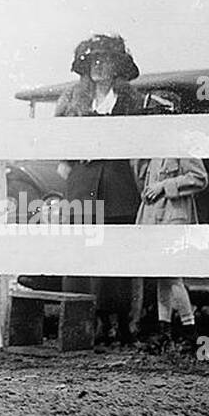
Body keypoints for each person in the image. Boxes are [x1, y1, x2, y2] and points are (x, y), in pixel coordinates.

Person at [54, 34, 144, 343]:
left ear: (117, 66)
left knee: (116, 257)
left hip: (118, 185)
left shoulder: (131, 101)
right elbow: (60, 144)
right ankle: (81, 325)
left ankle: (120, 324)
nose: (98, 67)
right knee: (82, 253)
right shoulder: (72, 102)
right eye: (93, 61)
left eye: (104, 60)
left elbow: (137, 141)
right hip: (83, 185)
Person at [136, 153, 208, 350]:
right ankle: (164, 333)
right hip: (153, 219)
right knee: (163, 277)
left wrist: (164, 186)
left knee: (173, 276)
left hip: (174, 218)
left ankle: (191, 334)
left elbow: (200, 178)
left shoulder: (183, 147)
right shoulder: (154, 149)